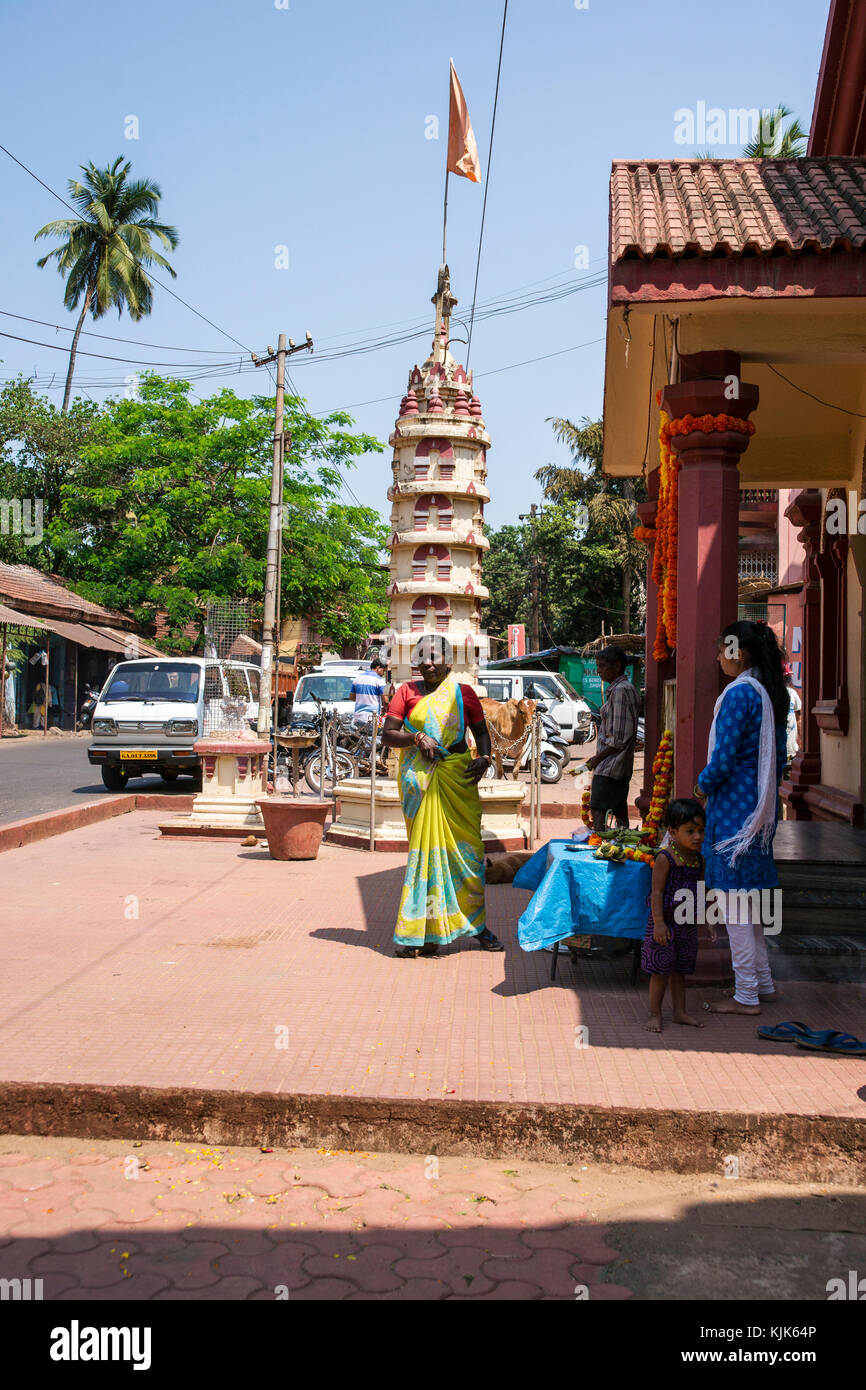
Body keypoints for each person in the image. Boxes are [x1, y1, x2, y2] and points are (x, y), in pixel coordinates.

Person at [381, 635, 503, 958]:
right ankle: (420, 934)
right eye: (422, 657)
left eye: (435, 657)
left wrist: (485, 758)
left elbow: (481, 735)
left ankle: (475, 926)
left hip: (457, 781)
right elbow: (388, 734)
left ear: (449, 662)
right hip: (419, 784)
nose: (428, 663)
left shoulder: (463, 695)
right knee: (425, 859)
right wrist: (417, 737)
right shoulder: (406, 693)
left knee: (469, 858)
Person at [696, 621, 788, 1016]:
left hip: (735, 809)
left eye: (722, 649)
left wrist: (700, 789)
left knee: (734, 904)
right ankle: (761, 983)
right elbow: (779, 758)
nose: (718, 656)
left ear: (741, 653)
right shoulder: (769, 693)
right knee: (748, 905)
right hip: (759, 807)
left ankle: (746, 995)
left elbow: (723, 759)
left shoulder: (739, 695)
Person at [642, 799, 709, 1033]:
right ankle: (654, 1013)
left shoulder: (699, 859)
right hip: (665, 923)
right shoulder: (665, 858)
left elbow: (701, 890)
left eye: (700, 831)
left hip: (686, 923)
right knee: (661, 970)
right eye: (690, 831)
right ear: (672, 832)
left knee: (680, 969)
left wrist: (706, 918)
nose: (697, 837)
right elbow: (657, 892)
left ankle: (680, 1012)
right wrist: (659, 924)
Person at [584, 646, 640, 831]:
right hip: (615, 763)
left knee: (598, 808)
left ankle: (600, 844)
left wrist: (596, 759)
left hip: (612, 764)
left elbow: (619, 738)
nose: (598, 670)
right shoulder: (619, 690)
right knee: (618, 807)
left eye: (602, 666)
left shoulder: (621, 691)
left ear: (616, 667)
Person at [350, 658, 387, 726]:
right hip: (372, 719)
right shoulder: (380, 680)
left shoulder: (357, 679)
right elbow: (386, 700)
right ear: (378, 668)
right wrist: (385, 708)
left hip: (357, 719)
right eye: (383, 671)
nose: (383, 673)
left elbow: (352, 697)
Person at [784, 664, 801, 770]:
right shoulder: (770, 694)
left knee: (787, 777)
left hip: (791, 749)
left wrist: (801, 738)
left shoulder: (792, 694)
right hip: (775, 751)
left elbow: (798, 718)